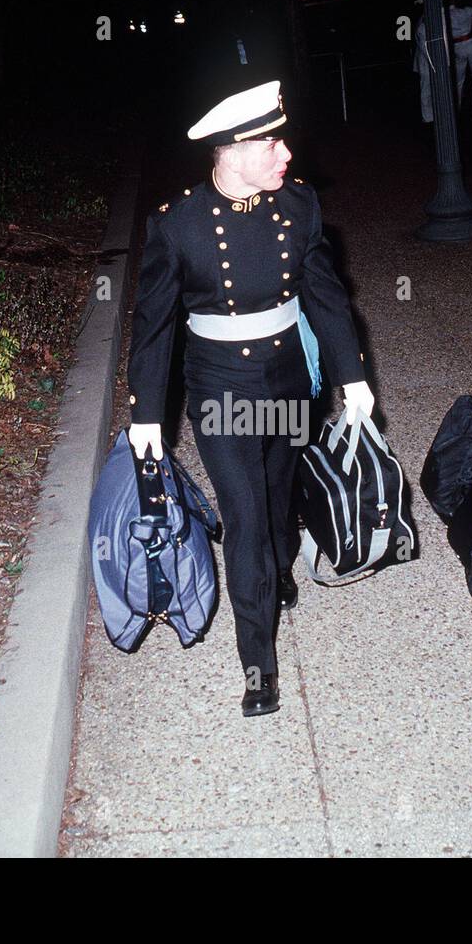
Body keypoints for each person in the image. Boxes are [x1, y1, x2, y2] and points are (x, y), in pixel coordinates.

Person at [126, 80, 375, 717]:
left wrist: (350, 376)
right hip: (220, 387)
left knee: (278, 491)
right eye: (270, 142)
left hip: (288, 376)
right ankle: (257, 664)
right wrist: (147, 415)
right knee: (244, 515)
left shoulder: (299, 207)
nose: (286, 153)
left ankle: (281, 564)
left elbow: (325, 295)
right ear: (230, 153)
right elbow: (153, 325)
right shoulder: (177, 224)